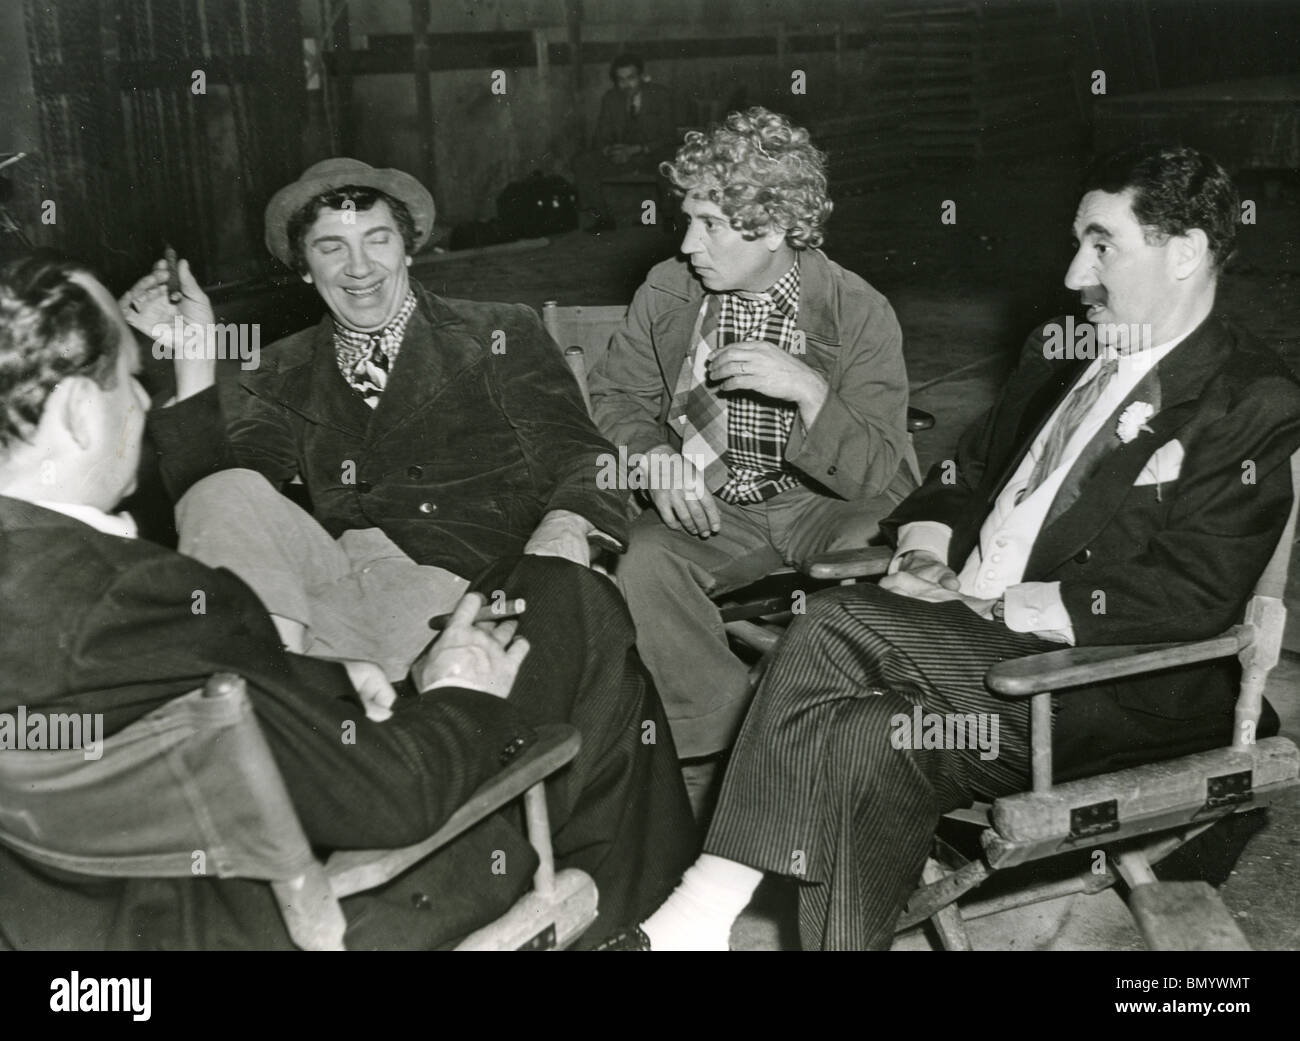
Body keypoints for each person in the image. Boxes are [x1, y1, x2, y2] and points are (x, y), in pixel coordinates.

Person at [603, 143, 1300, 950]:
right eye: (1078, 243)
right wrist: (924, 554)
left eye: (1102, 245)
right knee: (864, 740)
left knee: (833, 622)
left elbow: (1192, 595)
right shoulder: (1060, 348)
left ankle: (696, 916)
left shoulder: (1250, 399)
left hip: (1099, 694)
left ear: (1184, 253)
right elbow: (956, 473)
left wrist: (985, 604)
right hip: (971, 677)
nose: (1076, 275)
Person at [0, 253, 695, 949]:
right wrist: (460, 696)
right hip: (317, 912)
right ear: (77, 414)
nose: (143, 403)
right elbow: (392, 797)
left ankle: (644, 909)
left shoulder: (74, 591)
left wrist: (330, 678)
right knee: (576, 606)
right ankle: (654, 916)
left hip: (94, 927)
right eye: (127, 382)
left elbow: (179, 694)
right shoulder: (140, 596)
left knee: (558, 598)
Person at [137, 157, 630, 672]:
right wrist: (192, 359)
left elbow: (586, 457)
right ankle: (281, 686)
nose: (360, 267)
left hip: (470, 577)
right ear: (304, 268)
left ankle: (279, 688)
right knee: (225, 492)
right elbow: (224, 503)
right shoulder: (280, 368)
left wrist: (566, 526)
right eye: (332, 247)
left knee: (301, 650)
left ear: (407, 249)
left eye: (377, 239)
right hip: (345, 572)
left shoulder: (498, 333)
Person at [588, 107, 918, 770]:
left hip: (828, 499)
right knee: (644, 562)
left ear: (770, 227)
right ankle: (718, 743)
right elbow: (613, 397)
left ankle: (854, 740)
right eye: (688, 220)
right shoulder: (669, 292)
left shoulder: (858, 310)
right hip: (719, 501)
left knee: (882, 556)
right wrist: (654, 458)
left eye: (709, 225)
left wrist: (810, 389)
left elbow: (876, 467)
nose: (687, 244)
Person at [573, 53, 677, 233]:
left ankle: (670, 218)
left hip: (653, 154)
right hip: (623, 157)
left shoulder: (660, 95)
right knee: (583, 162)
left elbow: (669, 136)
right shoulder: (611, 98)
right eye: (620, 80)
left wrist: (636, 149)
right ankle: (603, 218)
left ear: (642, 76)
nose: (626, 84)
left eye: (631, 78)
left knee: (669, 162)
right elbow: (600, 136)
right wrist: (610, 150)